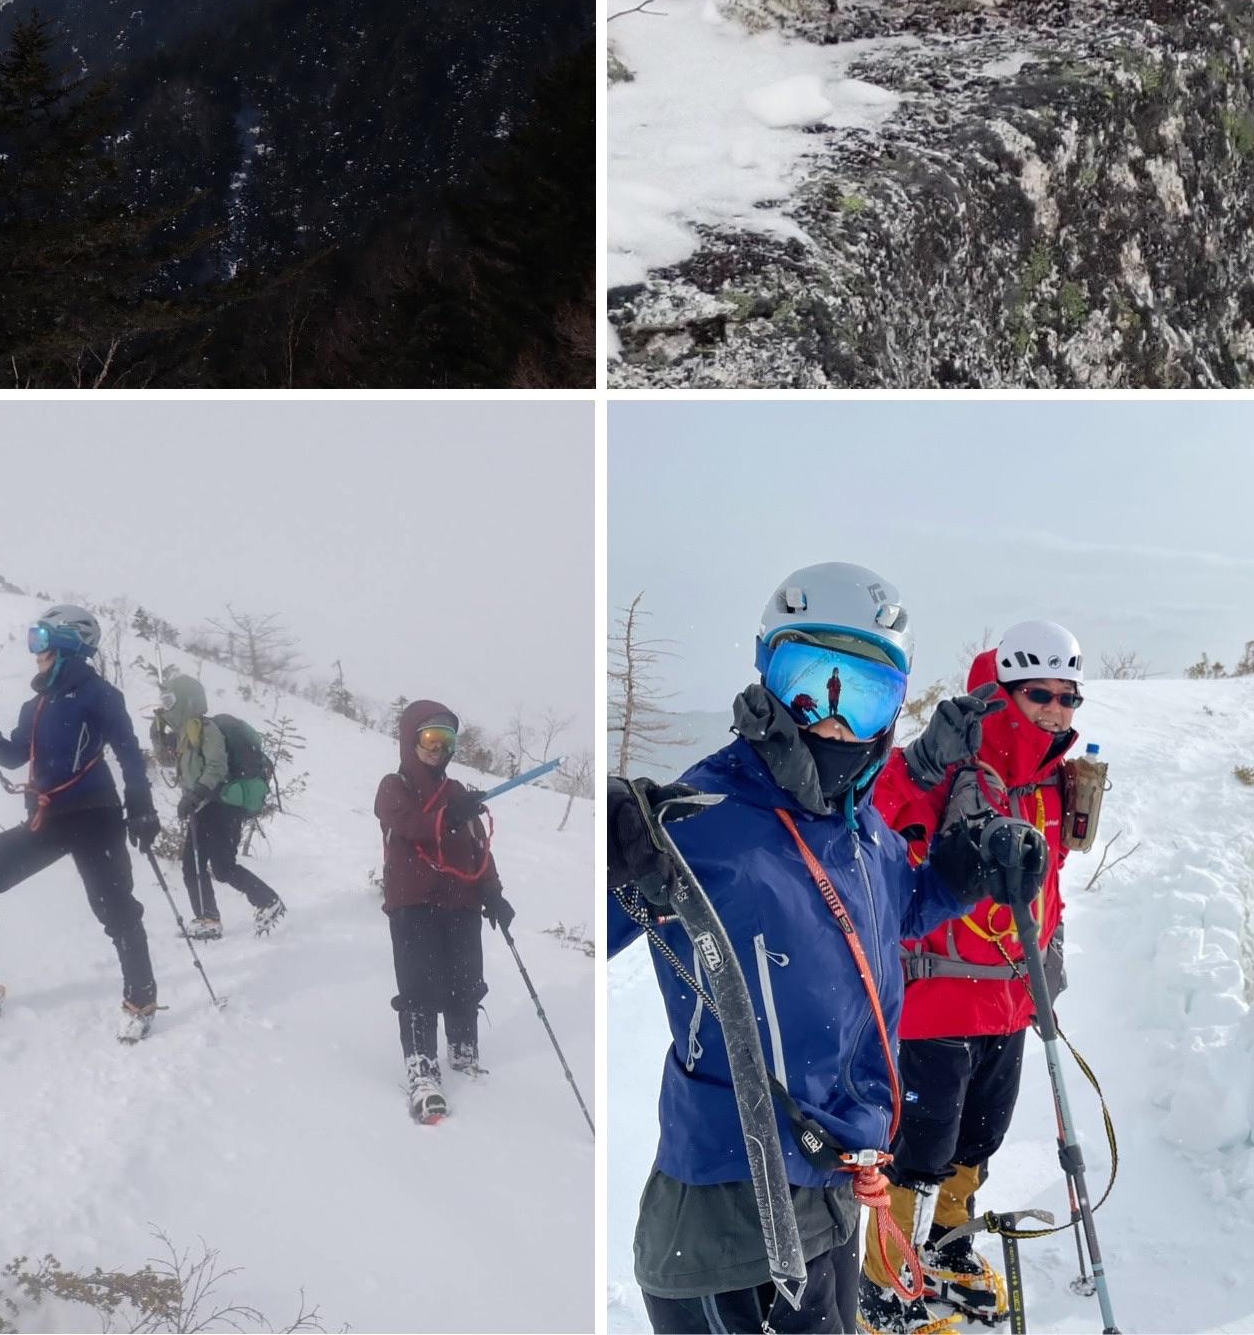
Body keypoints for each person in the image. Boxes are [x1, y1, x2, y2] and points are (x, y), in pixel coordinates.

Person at [608, 563, 1051, 1335]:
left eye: (866, 693)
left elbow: (891, 916)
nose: (834, 721)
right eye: (812, 680)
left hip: (841, 1192)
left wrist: (962, 871)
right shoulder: (697, 819)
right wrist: (600, 850)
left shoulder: (863, 830)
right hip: (730, 1213)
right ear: (766, 674)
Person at [860, 622, 1087, 1333]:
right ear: (1003, 694)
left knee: (977, 1142)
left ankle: (947, 1249)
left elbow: (1045, 891)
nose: (1056, 710)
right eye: (1039, 694)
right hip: (935, 1000)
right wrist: (922, 764)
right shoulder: (952, 762)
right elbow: (870, 822)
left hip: (1009, 1001)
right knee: (919, 1153)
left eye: (1068, 697)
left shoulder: (1052, 781)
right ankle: (885, 1286)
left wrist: (1047, 970)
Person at [0, 606, 163, 1041]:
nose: (35, 652)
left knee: (115, 910)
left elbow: (128, 752)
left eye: (41, 641)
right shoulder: (36, 704)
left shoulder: (100, 695)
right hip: (46, 820)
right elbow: (14, 756)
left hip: (96, 818)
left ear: (68, 643)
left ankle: (141, 1000)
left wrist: (142, 806)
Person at [375, 699, 514, 1123]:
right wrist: (447, 816)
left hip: (462, 902)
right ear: (410, 740)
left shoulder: (457, 793)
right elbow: (411, 824)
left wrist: (493, 893)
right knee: (419, 987)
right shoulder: (393, 786)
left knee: (465, 980)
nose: (437, 749)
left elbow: (479, 848)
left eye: (445, 740)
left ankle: (462, 1048)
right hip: (414, 902)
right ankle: (421, 1069)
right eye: (429, 739)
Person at [157, 671, 285, 939]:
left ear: (187, 700)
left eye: (170, 700)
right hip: (203, 807)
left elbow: (217, 765)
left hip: (220, 806)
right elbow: (170, 763)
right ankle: (209, 919)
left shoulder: (207, 729)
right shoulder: (184, 734)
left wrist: (195, 795)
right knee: (194, 865)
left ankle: (266, 901)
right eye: (164, 700)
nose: (166, 706)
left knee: (222, 867)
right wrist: (158, 735)